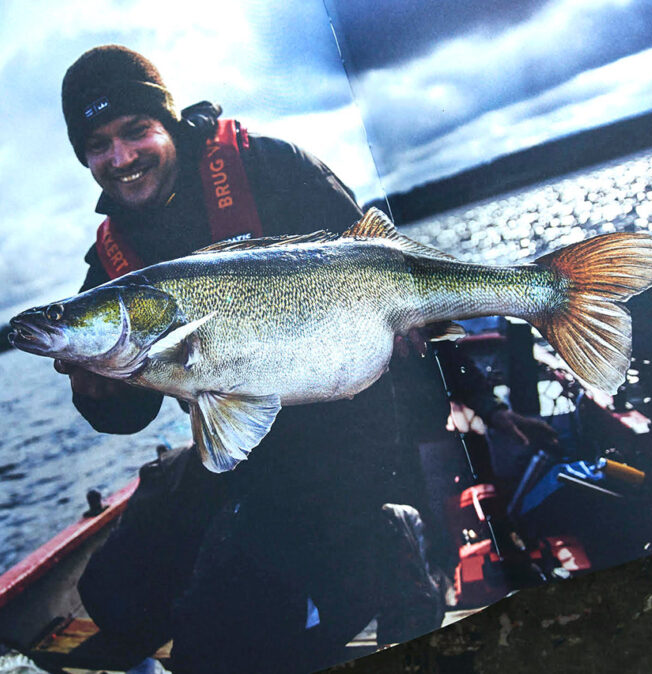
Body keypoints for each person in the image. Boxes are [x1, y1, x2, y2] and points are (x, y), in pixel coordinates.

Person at [56, 45, 553, 672]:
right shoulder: (110, 265)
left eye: (135, 131)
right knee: (113, 595)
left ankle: (386, 543)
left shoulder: (271, 166)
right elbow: (128, 414)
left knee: (218, 650)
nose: (121, 158)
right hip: (240, 452)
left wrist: (483, 404)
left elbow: (398, 274)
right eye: (98, 145)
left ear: (168, 122)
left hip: (349, 436)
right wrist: (97, 395)